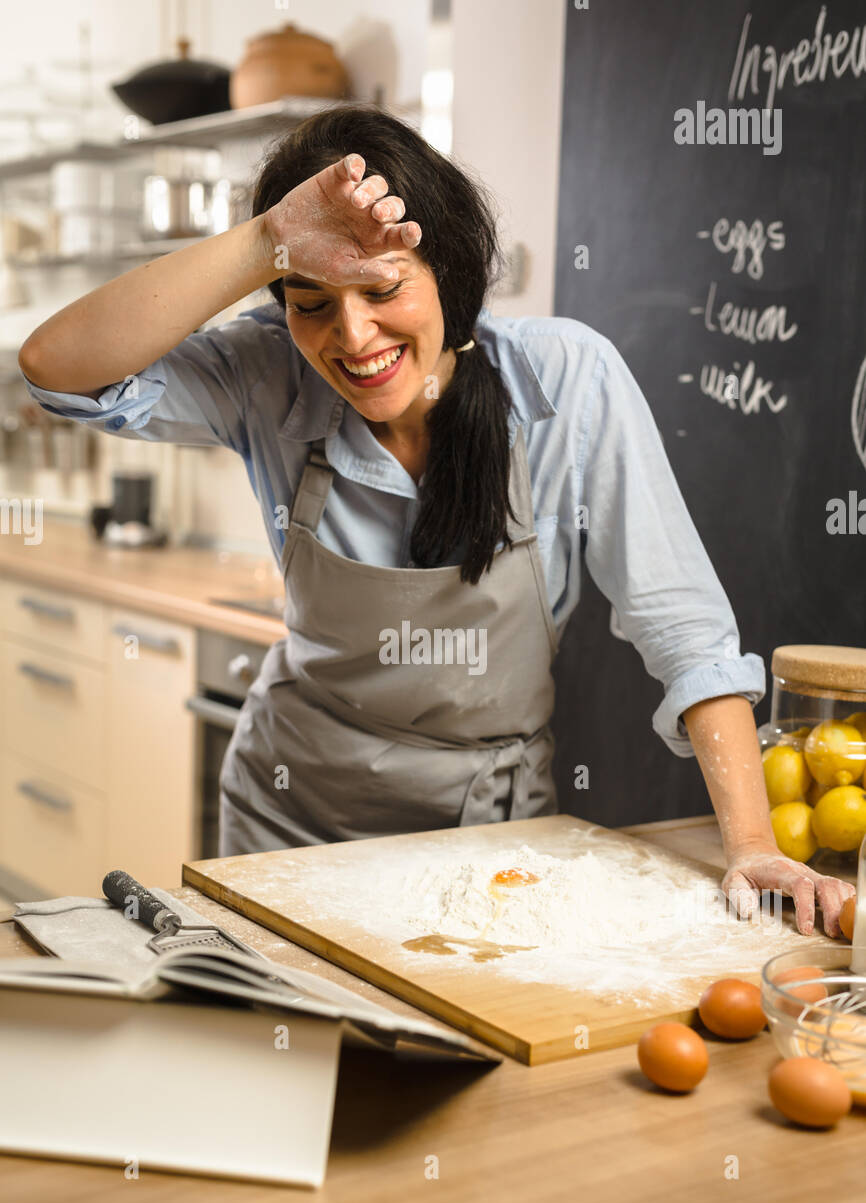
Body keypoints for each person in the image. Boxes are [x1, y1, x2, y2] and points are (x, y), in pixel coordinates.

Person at [18, 105, 853, 936]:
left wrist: (750, 845)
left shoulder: (568, 382)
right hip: (287, 829)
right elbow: (58, 368)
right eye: (309, 303)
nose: (353, 337)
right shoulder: (263, 374)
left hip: (487, 840)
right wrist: (265, 238)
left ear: (448, 278)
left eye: (383, 290)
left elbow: (687, 634)